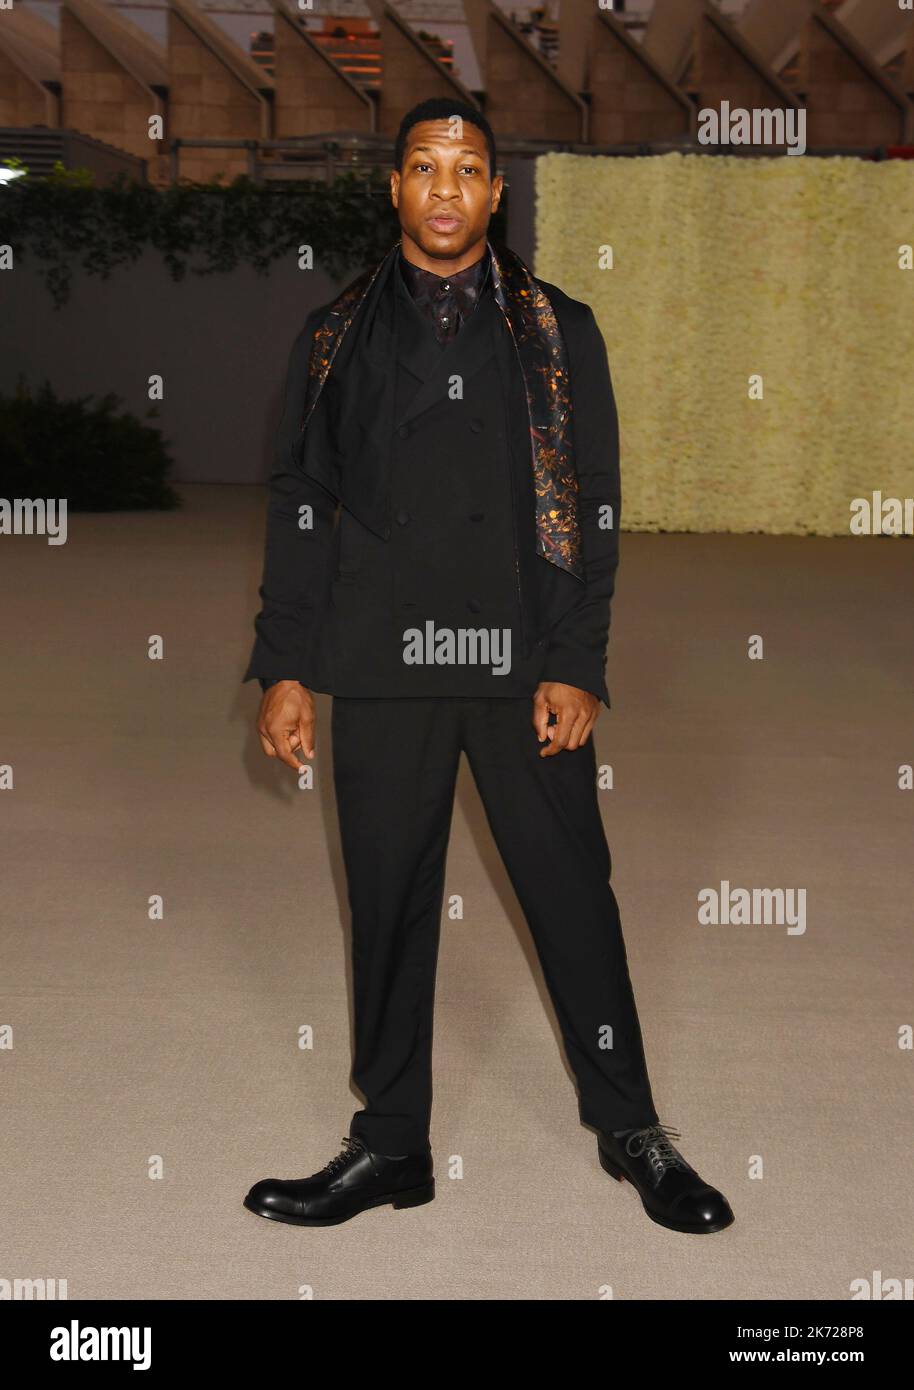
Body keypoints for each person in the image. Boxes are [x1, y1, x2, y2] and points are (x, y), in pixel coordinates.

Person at [241, 97, 733, 1235]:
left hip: (522, 669)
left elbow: (590, 511)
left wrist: (575, 660)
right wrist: (283, 665)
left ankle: (633, 1130)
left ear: (495, 193)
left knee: (570, 899)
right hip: (381, 666)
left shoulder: (560, 332)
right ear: (396, 189)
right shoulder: (334, 336)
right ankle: (388, 1144)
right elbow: (303, 504)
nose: (447, 188)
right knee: (388, 902)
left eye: (468, 169)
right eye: (425, 167)